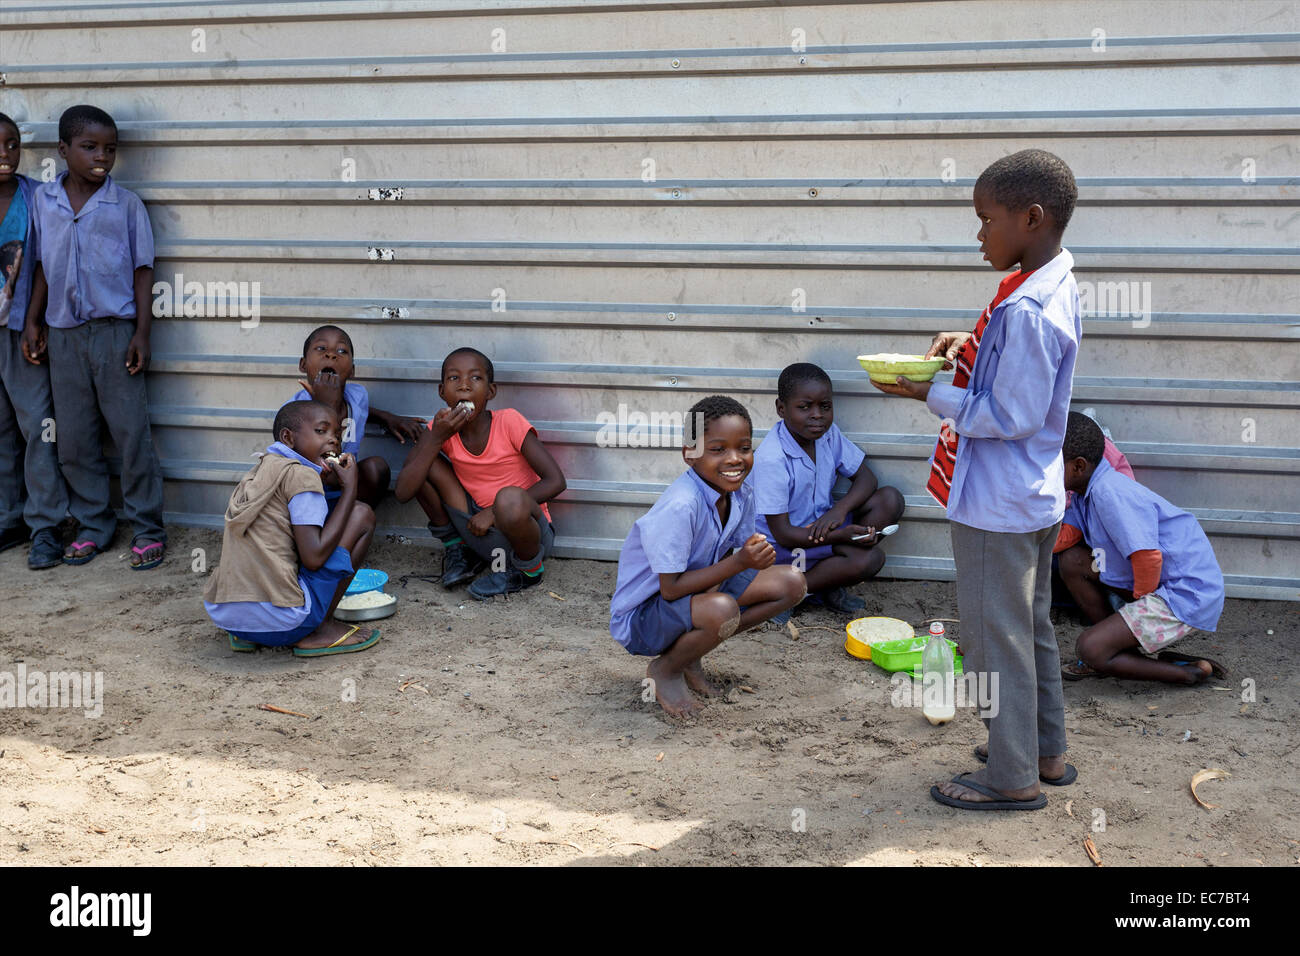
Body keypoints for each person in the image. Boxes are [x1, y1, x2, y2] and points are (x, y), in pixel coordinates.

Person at [874, 149, 1081, 811]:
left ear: (1032, 217)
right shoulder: (1046, 284)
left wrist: (926, 396)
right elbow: (1020, 373)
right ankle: (1043, 752)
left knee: (996, 640)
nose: (979, 235)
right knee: (1029, 628)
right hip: (1032, 492)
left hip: (999, 501)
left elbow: (1010, 413)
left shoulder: (1025, 310)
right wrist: (972, 343)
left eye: (986, 220)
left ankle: (1011, 778)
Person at [21, 105, 166, 569]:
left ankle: (147, 527)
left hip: (114, 333)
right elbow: (41, 266)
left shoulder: (126, 206)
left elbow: (144, 272)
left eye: (110, 149)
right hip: (63, 337)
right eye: (89, 147)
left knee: (130, 435)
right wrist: (32, 321)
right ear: (63, 151)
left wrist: (141, 333)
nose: (101, 156)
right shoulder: (44, 202)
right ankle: (93, 524)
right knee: (76, 441)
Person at [609, 395, 806, 718]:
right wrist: (742, 562)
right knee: (722, 610)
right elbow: (671, 588)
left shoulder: (739, 492)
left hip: (690, 597)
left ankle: (692, 652)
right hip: (643, 617)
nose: (734, 460)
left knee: (791, 583)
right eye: (718, 449)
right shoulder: (682, 505)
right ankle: (666, 669)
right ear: (690, 454)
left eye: (744, 448)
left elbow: (730, 554)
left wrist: (754, 558)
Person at [1055, 411, 1226, 683]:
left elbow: (1148, 557)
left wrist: (1137, 606)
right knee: (1073, 561)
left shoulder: (1109, 492)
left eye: (1051, 462)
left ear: (1078, 466)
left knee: (1089, 648)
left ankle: (1188, 674)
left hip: (1186, 592)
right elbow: (1065, 538)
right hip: (1157, 582)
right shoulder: (1082, 492)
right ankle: (1125, 653)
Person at [203, 400, 381, 656]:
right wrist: (350, 490)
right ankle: (321, 628)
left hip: (228, 616)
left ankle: (247, 636)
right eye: (321, 431)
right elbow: (313, 557)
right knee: (361, 514)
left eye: (337, 435)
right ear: (288, 437)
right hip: (284, 621)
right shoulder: (302, 477)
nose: (333, 441)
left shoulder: (259, 471)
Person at [393, 346, 566, 598]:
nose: (464, 385)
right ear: (441, 392)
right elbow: (403, 492)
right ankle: (459, 550)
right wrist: (435, 439)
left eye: (475, 377)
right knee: (424, 463)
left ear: (491, 391)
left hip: (526, 536)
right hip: (476, 531)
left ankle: (529, 571)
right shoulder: (441, 428)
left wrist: (493, 512)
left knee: (508, 498)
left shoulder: (509, 421)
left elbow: (556, 481)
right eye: (454, 378)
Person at [749, 362, 904, 618]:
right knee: (870, 560)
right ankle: (789, 594)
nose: (817, 415)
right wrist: (840, 536)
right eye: (804, 407)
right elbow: (785, 534)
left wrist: (839, 512)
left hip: (821, 530)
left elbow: (866, 478)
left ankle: (825, 585)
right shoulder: (771, 458)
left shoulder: (828, 435)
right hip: (783, 550)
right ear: (781, 408)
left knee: (889, 500)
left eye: (825, 406)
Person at [0, 111, 68, 569]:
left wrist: (33, 321)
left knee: (37, 426)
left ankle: (46, 525)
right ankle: (10, 518)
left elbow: (43, 263)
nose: (4, 155)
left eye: (11, 144)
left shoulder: (36, 198)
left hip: (19, 330)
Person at [291, 324, 425, 509]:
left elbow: (359, 410)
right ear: (303, 364)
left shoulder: (357, 395)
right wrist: (326, 405)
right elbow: (325, 473)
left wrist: (388, 418)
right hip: (307, 493)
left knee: (376, 468)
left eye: (341, 350)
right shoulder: (295, 410)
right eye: (321, 349)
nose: (331, 355)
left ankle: (352, 521)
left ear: (352, 371)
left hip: (347, 488)